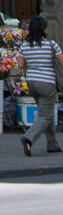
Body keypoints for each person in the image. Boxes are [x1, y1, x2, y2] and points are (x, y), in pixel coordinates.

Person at [18, 15, 63, 157]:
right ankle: (28, 138)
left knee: (47, 113)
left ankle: (52, 144)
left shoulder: (24, 45)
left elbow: (20, 65)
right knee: (45, 114)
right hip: (47, 83)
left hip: (31, 82)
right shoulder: (51, 44)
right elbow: (62, 61)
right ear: (43, 29)